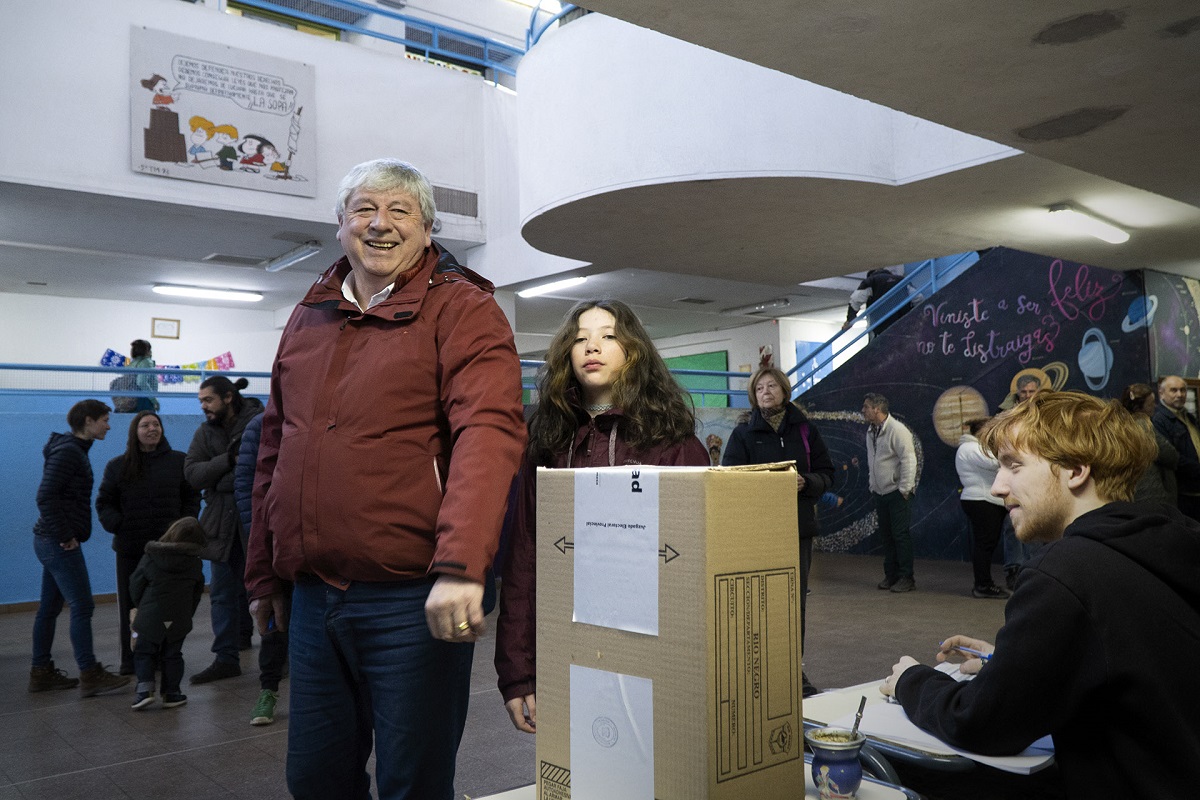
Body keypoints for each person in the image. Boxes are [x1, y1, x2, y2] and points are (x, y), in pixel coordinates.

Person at [244, 158, 526, 800]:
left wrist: (462, 567)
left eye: (401, 212)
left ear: (427, 231)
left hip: (412, 600)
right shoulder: (308, 316)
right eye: (365, 209)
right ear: (341, 226)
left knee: (414, 783)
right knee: (314, 779)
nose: (381, 224)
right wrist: (264, 572)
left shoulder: (464, 310)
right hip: (315, 597)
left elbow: (488, 432)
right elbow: (274, 449)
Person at [881, 391, 1200, 799]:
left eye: (1014, 465)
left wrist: (911, 680)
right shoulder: (1166, 541)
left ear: (1076, 470)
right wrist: (1009, 664)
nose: (998, 487)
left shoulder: (1068, 570)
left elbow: (982, 723)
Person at [495, 299, 709, 734]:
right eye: (579, 339)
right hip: (567, 645)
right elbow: (525, 557)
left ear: (634, 351)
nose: (591, 346)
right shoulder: (550, 442)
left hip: (656, 651)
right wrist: (518, 672)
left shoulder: (672, 443)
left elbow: (697, 567)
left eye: (608, 335)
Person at [721, 367, 833, 695]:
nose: (766, 391)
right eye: (760, 388)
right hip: (757, 531)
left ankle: (793, 672)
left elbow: (827, 473)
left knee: (793, 601)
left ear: (784, 391)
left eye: (772, 386)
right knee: (757, 600)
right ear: (753, 396)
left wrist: (806, 482)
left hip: (798, 529)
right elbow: (728, 477)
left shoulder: (805, 431)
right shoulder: (743, 434)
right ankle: (757, 672)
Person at [29, 399, 131, 696]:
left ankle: (41, 671)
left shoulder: (72, 450)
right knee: (83, 605)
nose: (108, 425)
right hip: (56, 540)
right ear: (88, 421)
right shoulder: (69, 453)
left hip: (50, 539)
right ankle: (89, 672)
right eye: (105, 419)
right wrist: (64, 535)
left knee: (49, 608)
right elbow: (45, 496)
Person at [96, 410, 200, 674]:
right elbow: (104, 503)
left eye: (156, 424)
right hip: (131, 549)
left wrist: (182, 527)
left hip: (170, 552)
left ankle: (165, 658)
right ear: (135, 432)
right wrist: (119, 525)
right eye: (145, 425)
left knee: (169, 608)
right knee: (132, 608)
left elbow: (191, 497)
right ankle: (131, 661)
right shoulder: (118, 465)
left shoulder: (179, 462)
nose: (152, 429)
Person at [185, 375, 263, 684]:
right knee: (222, 595)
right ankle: (226, 658)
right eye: (201, 401)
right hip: (221, 526)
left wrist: (219, 478)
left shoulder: (258, 423)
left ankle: (277, 656)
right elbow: (193, 474)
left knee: (269, 591)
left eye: (208, 400)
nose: (203, 406)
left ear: (228, 397)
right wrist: (228, 460)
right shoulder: (205, 433)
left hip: (254, 521)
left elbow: (263, 471)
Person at [233, 411, 289, 726]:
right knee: (272, 624)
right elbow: (249, 490)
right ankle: (267, 691)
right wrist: (258, 543)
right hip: (273, 543)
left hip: (304, 545)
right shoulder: (260, 425)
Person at [128, 516, 207, 710]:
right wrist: (188, 614)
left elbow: (135, 584)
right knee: (173, 655)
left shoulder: (151, 556)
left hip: (149, 617)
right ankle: (172, 693)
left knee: (143, 652)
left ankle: (145, 690)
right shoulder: (194, 564)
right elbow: (197, 594)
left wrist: (141, 605)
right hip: (178, 620)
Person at [862, 393, 918, 592]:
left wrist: (904, 489)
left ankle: (906, 577)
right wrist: (872, 485)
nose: (863, 410)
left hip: (896, 493)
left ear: (877, 409)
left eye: (866, 406)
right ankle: (891, 575)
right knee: (886, 535)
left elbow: (909, 460)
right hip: (880, 492)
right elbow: (873, 461)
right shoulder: (871, 432)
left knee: (900, 535)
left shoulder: (897, 430)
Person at [954, 417, 1008, 599]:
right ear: (982, 432)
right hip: (982, 501)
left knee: (985, 544)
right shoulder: (971, 448)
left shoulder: (972, 447)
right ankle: (982, 585)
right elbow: (997, 463)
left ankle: (983, 583)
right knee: (985, 544)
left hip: (982, 500)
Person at [1151, 375, 1200, 522]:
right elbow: (1172, 457)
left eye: (1183, 390)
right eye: (1174, 390)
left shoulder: (1189, 417)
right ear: (1161, 393)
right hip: (1183, 493)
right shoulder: (1159, 420)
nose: (1179, 394)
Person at [1121, 382, 1178, 506]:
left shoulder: (1121, 425)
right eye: (1150, 404)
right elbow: (1170, 455)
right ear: (1138, 408)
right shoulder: (1143, 426)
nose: (1154, 406)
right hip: (1153, 494)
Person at [841, 268, 906, 335]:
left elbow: (856, 300)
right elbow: (916, 297)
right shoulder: (902, 280)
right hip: (904, 321)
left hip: (882, 322)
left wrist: (850, 319)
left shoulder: (871, 281)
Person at [128, 339, 159, 412]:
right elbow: (141, 382)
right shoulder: (146, 362)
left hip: (130, 400)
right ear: (147, 351)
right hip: (144, 400)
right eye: (150, 349)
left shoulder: (133, 363)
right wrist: (154, 400)